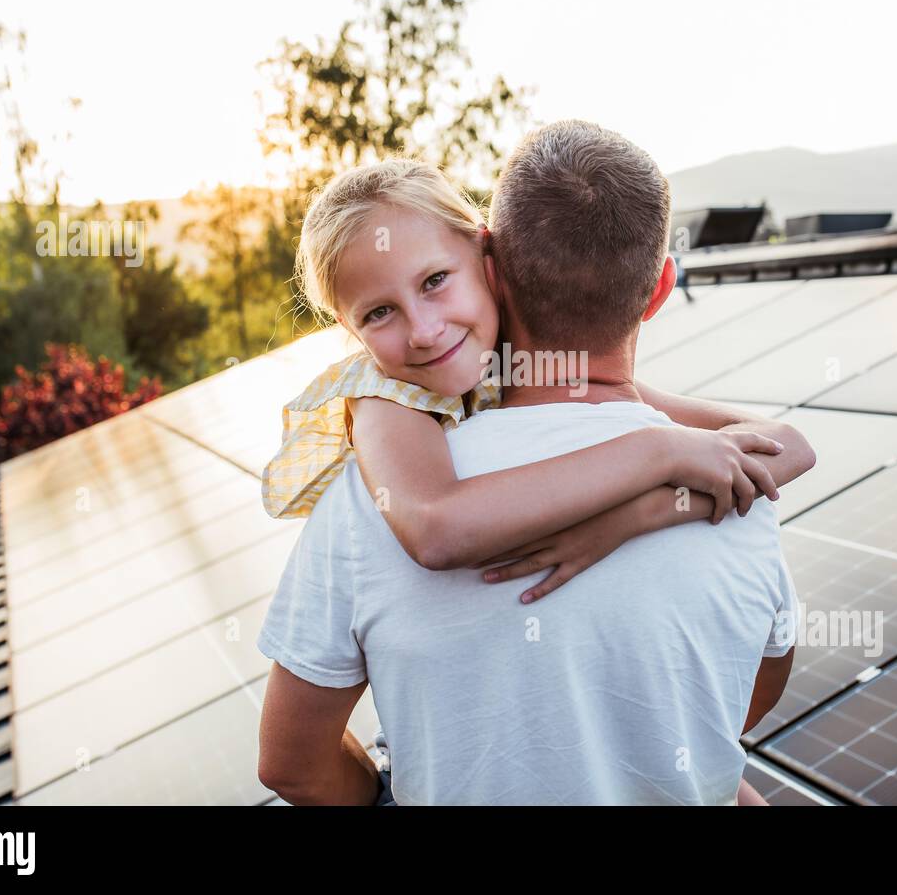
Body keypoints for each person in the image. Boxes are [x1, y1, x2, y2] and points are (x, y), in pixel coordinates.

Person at [257, 120, 808, 804]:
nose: (423, 330)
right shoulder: (385, 418)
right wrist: (656, 454)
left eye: (435, 281)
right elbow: (435, 530)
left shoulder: (361, 510)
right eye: (378, 313)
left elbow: (290, 761)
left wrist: (630, 516)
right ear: (661, 287)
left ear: (487, 259)